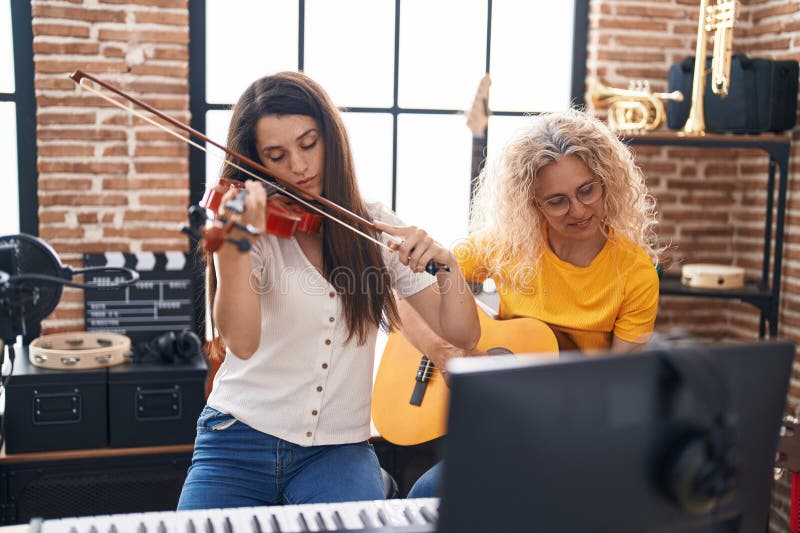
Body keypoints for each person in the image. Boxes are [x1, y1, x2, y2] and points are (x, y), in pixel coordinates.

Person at [177, 71, 480, 510]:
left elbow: (463, 335)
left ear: (330, 139)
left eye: (308, 143)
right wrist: (234, 249)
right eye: (276, 156)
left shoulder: (373, 225)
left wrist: (448, 268)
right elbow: (240, 344)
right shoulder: (246, 231)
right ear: (253, 161)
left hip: (337, 450)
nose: (299, 167)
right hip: (236, 439)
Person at [404, 107, 661, 498]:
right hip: (498, 426)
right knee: (424, 497)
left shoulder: (637, 274)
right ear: (532, 204)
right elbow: (405, 292)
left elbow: (623, 391)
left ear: (607, 181)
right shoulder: (510, 245)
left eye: (586, 190)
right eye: (556, 201)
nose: (577, 210)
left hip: (575, 436)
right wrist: (443, 352)